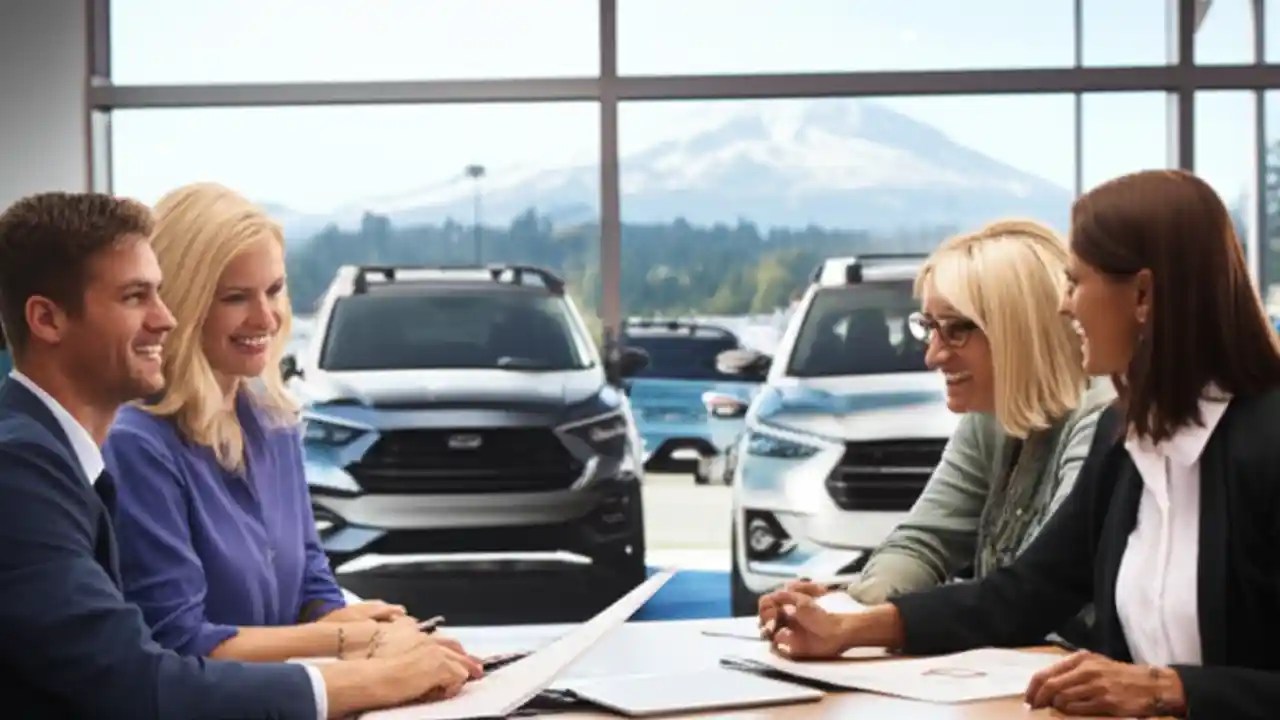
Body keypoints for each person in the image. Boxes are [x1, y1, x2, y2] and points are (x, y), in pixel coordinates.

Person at [758, 169, 1280, 718]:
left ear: (1143, 296)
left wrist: (1169, 689)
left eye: (1076, 283)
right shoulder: (1125, 434)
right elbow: (1025, 592)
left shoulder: (1265, 444)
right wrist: (850, 627)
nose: (1064, 306)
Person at [0, 191, 481, 719]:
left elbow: (304, 583)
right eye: (137, 296)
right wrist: (366, 667)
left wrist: (363, 637)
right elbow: (141, 679)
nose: (166, 319)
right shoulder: (23, 469)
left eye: (159, 294)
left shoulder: (65, 456)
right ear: (46, 320)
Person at [101, 182, 459, 663]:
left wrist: (360, 624)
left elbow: (311, 579)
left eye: (274, 290)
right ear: (181, 305)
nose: (266, 318)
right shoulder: (135, 443)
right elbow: (181, 641)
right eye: (235, 297)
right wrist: (350, 640)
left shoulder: (275, 421)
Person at [779, 220, 1111, 646]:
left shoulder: (1101, 420)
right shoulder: (992, 415)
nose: (933, 355)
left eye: (955, 330)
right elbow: (923, 541)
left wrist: (863, 625)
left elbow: (1029, 595)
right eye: (929, 326)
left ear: (1019, 329)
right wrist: (848, 610)